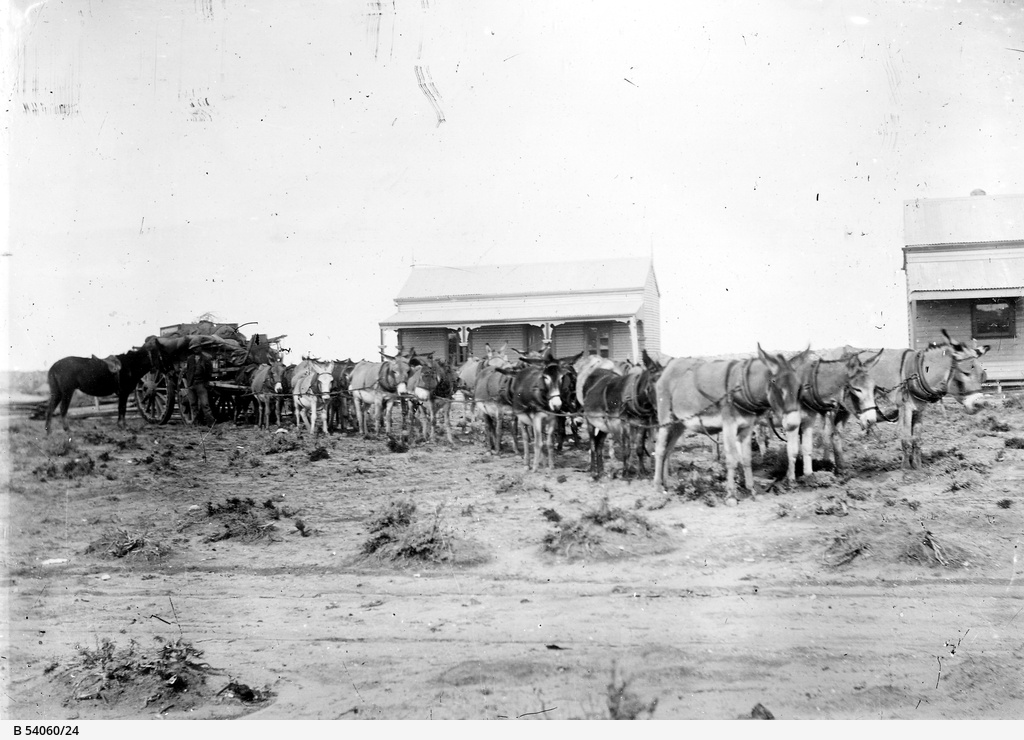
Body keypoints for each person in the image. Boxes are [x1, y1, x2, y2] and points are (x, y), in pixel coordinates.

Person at [183, 349, 216, 425]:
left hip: (201, 384)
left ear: (200, 348)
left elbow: (209, 371)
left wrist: (206, 382)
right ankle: (196, 422)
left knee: (205, 404)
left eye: (197, 347)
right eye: (194, 347)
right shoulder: (190, 359)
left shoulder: (205, 358)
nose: (196, 349)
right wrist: (188, 383)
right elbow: (187, 370)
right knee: (193, 404)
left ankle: (211, 423)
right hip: (191, 384)